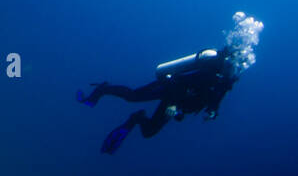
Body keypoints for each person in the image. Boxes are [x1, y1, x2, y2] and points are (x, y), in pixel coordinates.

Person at [77, 48, 237, 155]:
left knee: (149, 132)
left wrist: (213, 112)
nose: (234, 70)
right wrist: (174, 103)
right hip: (168, 88)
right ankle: (102, 89)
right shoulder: (208, 72)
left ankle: (137, 118)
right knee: (132, 96)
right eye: (232, 65)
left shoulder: (224, 83)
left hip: (176, 104)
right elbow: (178, 81)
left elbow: (215, 101)